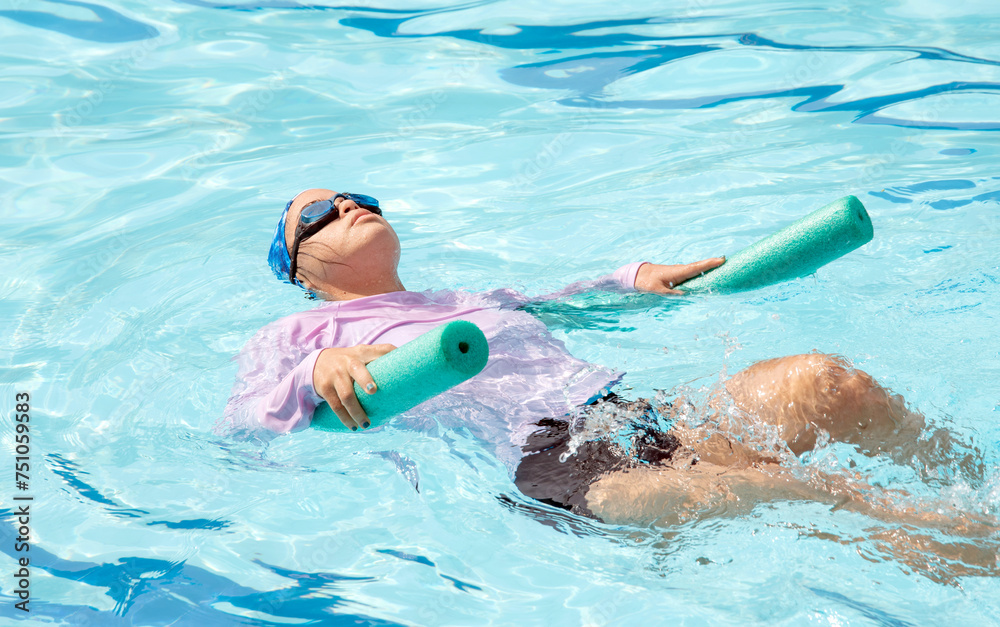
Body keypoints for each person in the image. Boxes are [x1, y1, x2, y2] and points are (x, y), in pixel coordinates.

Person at [219, 189, 996, 566]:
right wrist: (315, 369)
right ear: (302, 272)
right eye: (320, 213)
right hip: (548, 466)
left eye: (359, 197)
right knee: (776, 483)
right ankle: (974, 544)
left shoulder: (469, 302)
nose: (348, 204)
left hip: (627, 409)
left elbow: (577, 303)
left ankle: (982, 483)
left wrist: (637, 276)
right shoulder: (297, 334)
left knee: (828, 384)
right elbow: (242, 428)